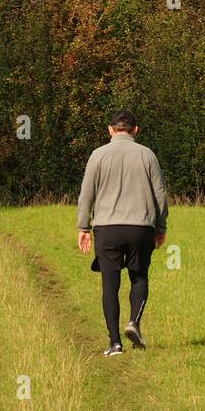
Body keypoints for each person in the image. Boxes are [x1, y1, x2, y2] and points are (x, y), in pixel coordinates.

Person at [76, 111, 168, 355]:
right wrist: (161, 227)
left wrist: (83, 226)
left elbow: (86, 195)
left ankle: (114, 343)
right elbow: (160, 195)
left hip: (107, 229)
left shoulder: (97, 155)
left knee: (110, 285)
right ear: (135, 130)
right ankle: (134, 322)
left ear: (110, 130)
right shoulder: (147, 155)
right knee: (139, 276)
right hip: (141, 227)